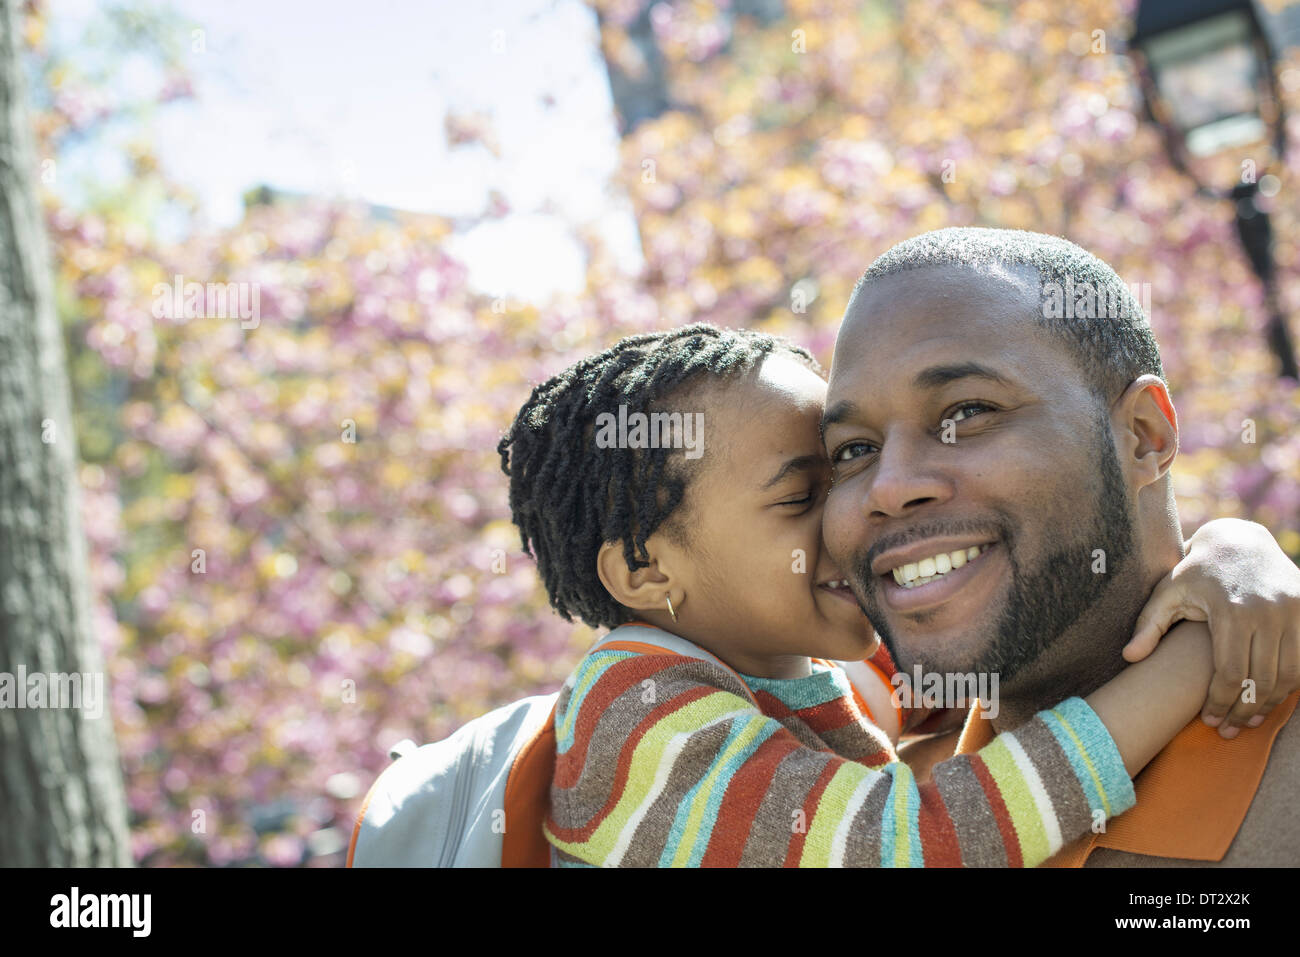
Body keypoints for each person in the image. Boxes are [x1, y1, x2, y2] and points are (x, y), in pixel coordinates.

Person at [496, 323, 1300, 866]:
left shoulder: (803, 673)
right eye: (799, 495)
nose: (860, 508)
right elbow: (920, 840)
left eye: (848, 460)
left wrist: (1231, 549)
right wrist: (1196, 659)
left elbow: (989, 661)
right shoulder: (638, 718)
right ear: (646, 572)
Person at [821, 226, 1300, 865]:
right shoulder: (872, 825)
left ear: (1143, 436)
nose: (891, 486)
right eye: (853, 450)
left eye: (967, 413)